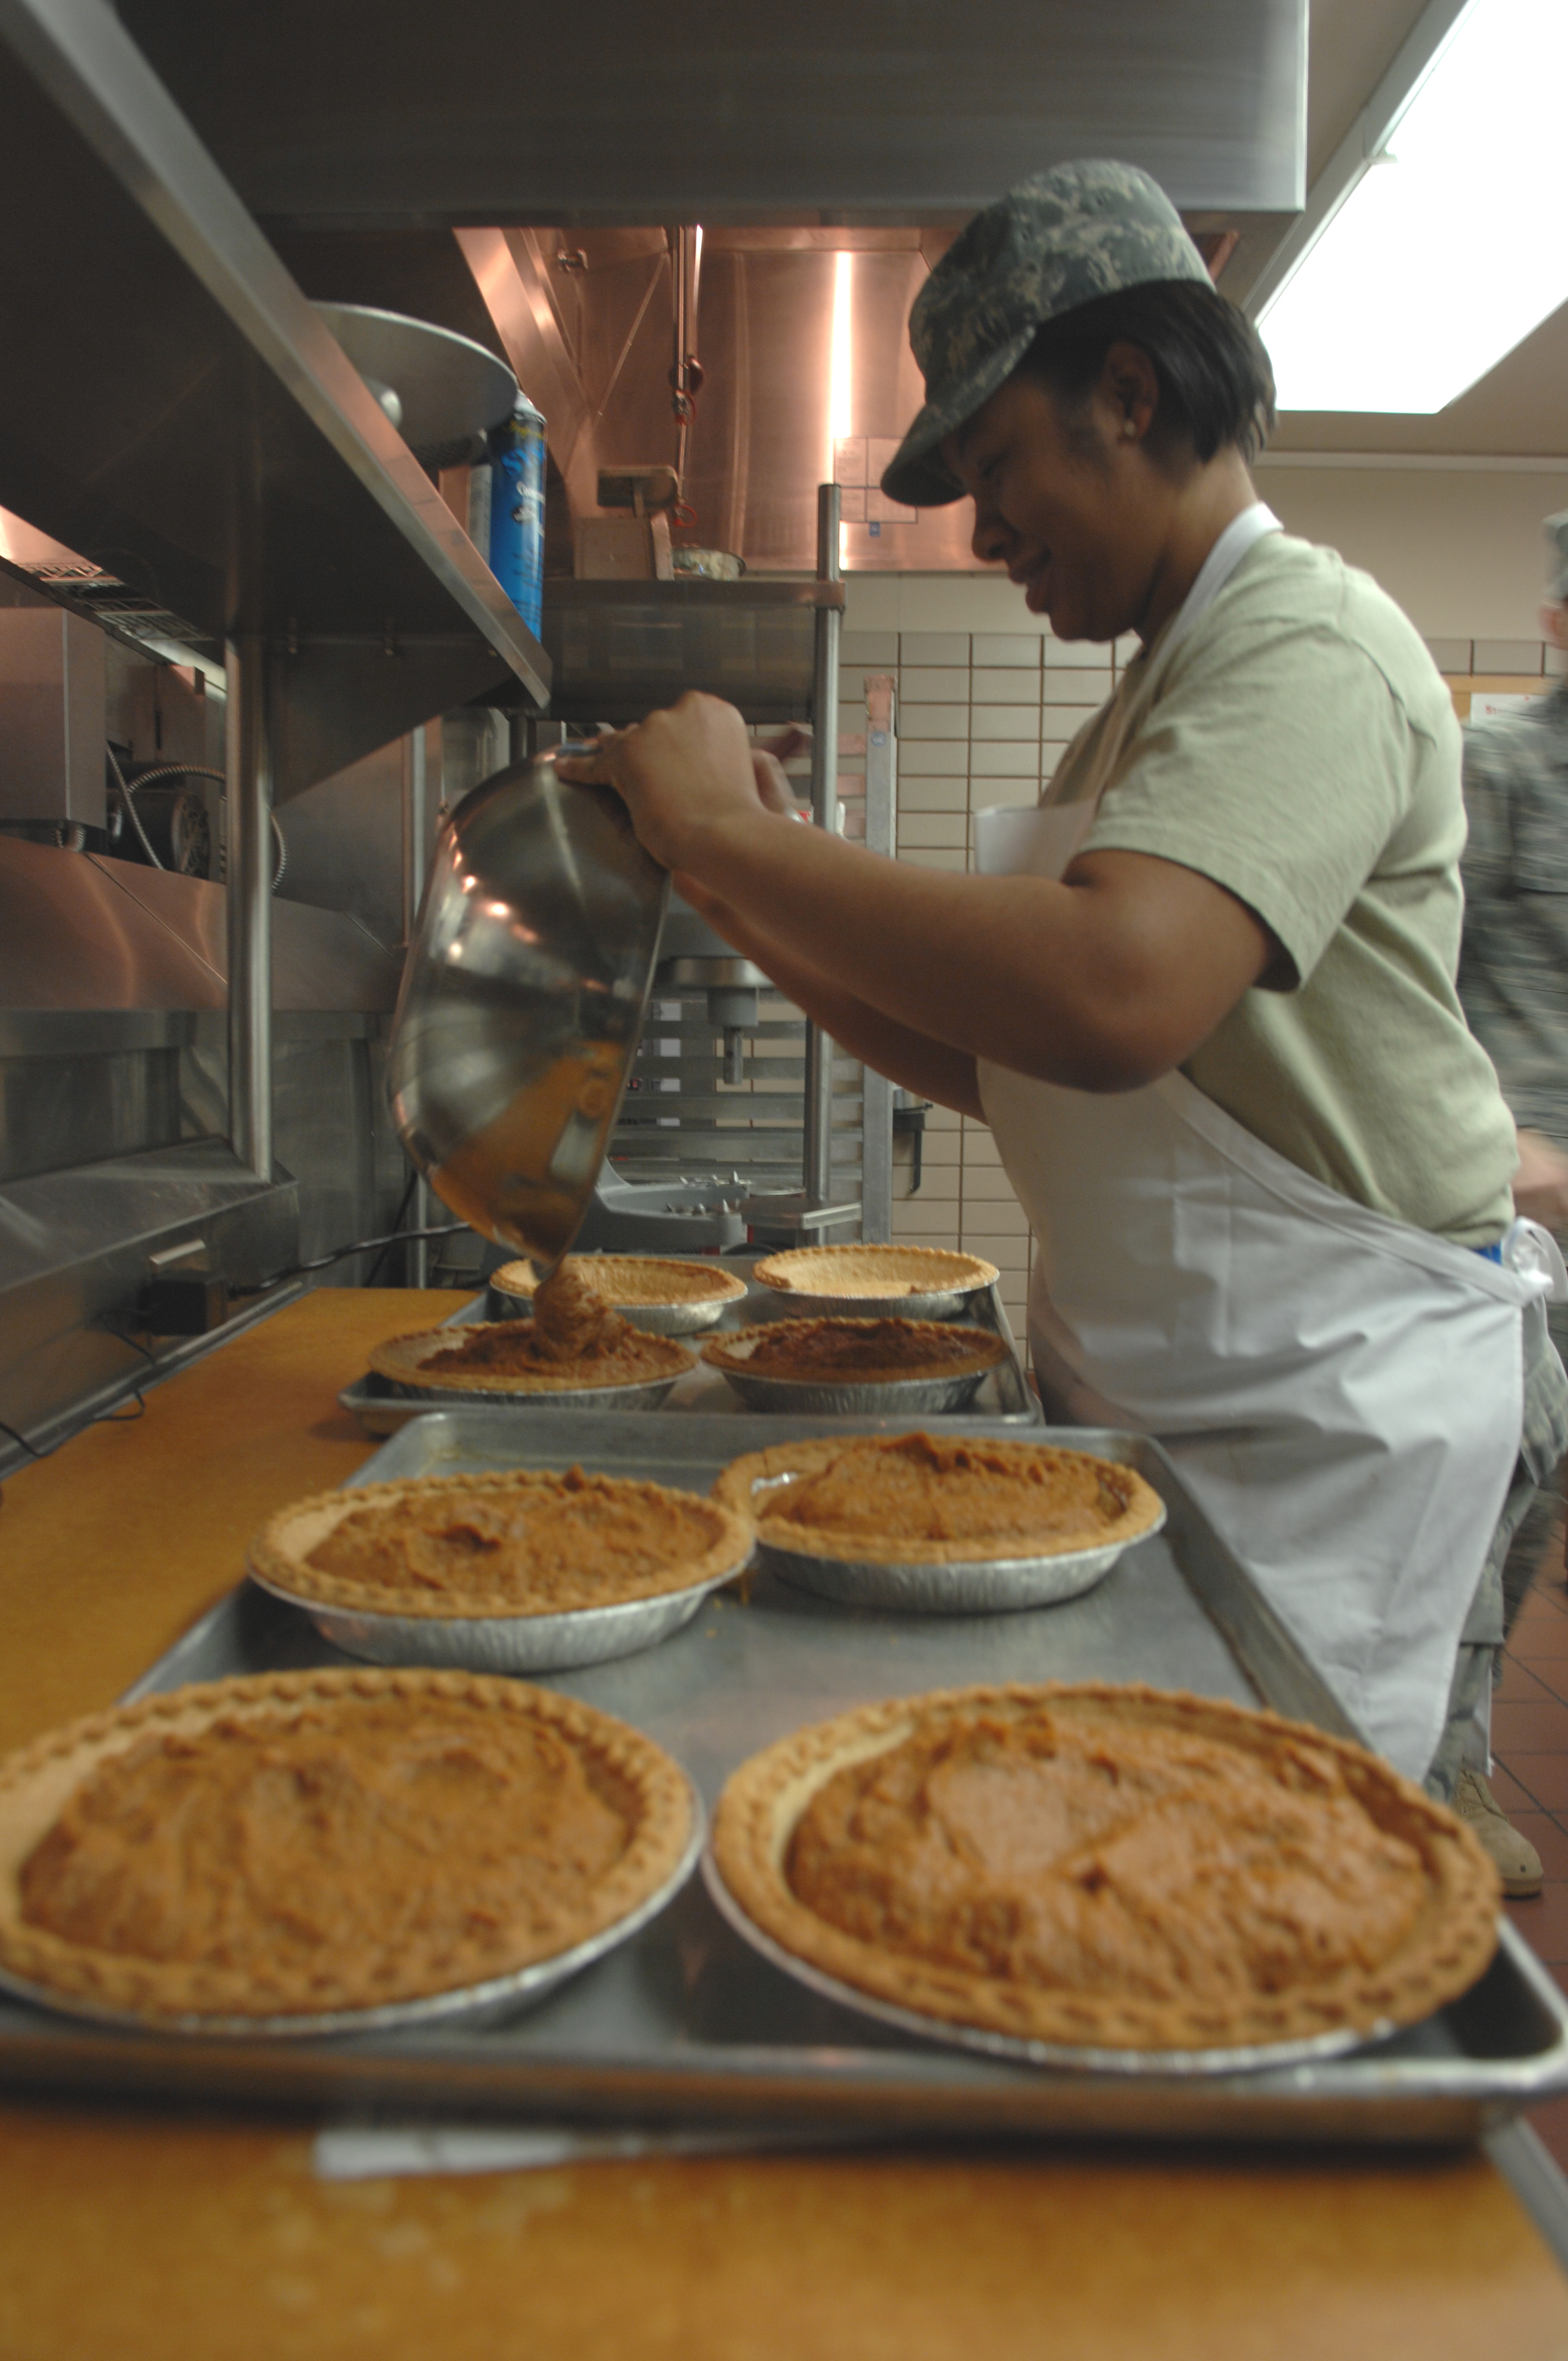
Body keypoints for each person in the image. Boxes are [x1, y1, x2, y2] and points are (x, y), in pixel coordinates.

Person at [561, 161, 1567, 1888]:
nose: (980, 528)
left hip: (1326, 1423)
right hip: (1190, 1407)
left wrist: (742, 838)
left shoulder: (1309, 641)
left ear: (1129, 391)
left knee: (1259, 1893)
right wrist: (729, 892)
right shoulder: (1150, 703)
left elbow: (1111, 996)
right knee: (1133, 1865)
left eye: (995, 465)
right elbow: (1002, 1055)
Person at [1460, 517, 1568, 1659]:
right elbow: (1409, 990)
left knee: (1541, 1502)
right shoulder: (1498, 771)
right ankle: (1451, 1772)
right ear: (1555, 625)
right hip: (1515, 1215)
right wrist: (1490, 1145)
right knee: (1495, 1485)